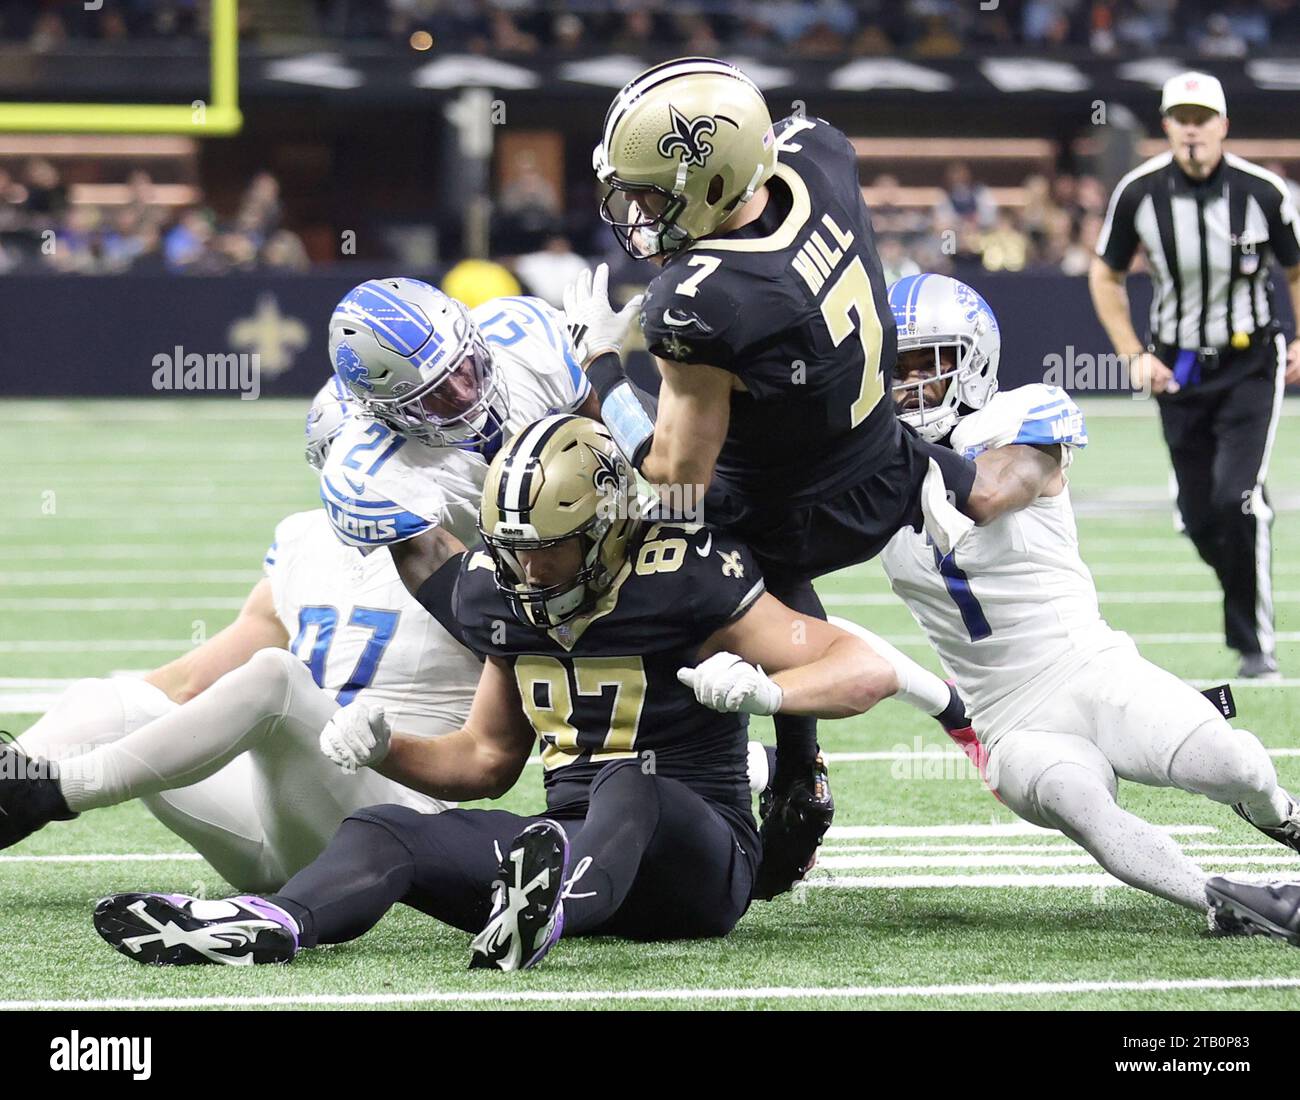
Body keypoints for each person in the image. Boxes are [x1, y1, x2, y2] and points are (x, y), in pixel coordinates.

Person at [91, 416, 906, 970]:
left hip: (699, 866)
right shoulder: (498, 595)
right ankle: (270, 926)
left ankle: (542, 910)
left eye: (544, 548)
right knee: (385, 829)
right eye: (508, 546)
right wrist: (387, 749)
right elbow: (483, 760)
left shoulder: (684, 581)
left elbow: (865, 667)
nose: (524, 569)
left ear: (607, 529)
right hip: (562, 850)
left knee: (630, 779)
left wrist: (772, 689)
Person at [567, 56, 981, 898]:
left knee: (656, 538)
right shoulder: (812, 153)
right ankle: (806, 763)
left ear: (712, 180)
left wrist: (604, 372)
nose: (639, 213)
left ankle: (779, 766)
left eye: (652, 194)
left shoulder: (699, 299)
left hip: (805, 501)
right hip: (881, 451)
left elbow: (676, 476)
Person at [867, 272, 1300, 932]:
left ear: (975, 359)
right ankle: (1228, 905)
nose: (908, 384)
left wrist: (856, 461)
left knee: (1235, 764)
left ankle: (1280, 815)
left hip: (1090, 669)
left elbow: (984, 496)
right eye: (894, 366)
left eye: (928, 363)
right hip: (1008, 722)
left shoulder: (1022, 415)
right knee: (1079, 800)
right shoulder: (862, 474)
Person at [1, 383, 481, 890]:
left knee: (279, 676)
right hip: (278, 819)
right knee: (113, 699)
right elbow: (188, 683)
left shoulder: (476, 547)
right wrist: (113, 716)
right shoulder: (305, 539)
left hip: (390, 822)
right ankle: (12, 788)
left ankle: (49, 792)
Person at [1089, 71, 1300, 679]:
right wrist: (1133, 353)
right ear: (1166, 126)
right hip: (1178, 369)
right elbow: (1104, 274)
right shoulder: (1139, 192)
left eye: (1202, 117)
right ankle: (1236, 526)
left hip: (1250, 364)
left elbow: (1295, 268)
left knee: (1236, 501)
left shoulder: (1262, 191)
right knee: (1200, 514)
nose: (1191, 129)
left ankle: (1254, 648)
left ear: (1222, 126)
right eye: (1180, 117)